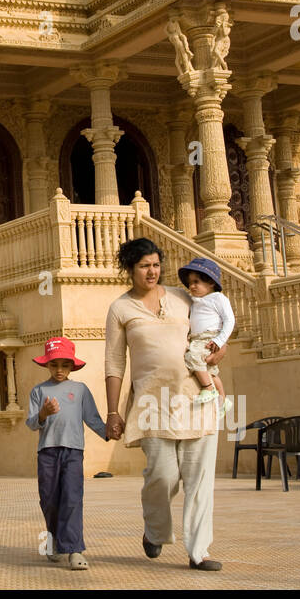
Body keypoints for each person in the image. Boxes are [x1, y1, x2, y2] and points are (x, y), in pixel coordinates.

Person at [105, 238, 226, 571]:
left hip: (196, 398)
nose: (152, 271)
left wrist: (221, 346)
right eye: (144, 265)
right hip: (151, 404)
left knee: (200, 478)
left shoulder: (183, 296)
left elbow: (212, 325)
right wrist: (113, 412)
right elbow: (114, 364)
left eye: (156, 264)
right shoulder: (120, 308)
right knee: (162, 475)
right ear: (130, 269)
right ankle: (155, 531)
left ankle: (198, 551)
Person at [26, 337, 109, 571]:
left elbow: (92, 418)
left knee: (72, 498)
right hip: (47, 452)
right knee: (49, 498)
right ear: (47, 365)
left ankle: (74, 549)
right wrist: (43, 413)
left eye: (64, 364)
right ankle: (52, 539)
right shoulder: (38, 391)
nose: (59, 370)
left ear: (72, 365)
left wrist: (109, 433)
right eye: (54, 365)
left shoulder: (80, 390)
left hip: (73, 451)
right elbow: (32, 424)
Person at [178, 257, 235, 412]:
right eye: (190, 283)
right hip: (197, 338)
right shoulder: (195, 300)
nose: (192, 286)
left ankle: (208, 388)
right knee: (210, 371)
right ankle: (223, 401)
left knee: (192, 357)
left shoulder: (218, 298)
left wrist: (220, 340)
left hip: (209, 337)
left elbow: (229, 320)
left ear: (210, 282)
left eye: (196, 282)